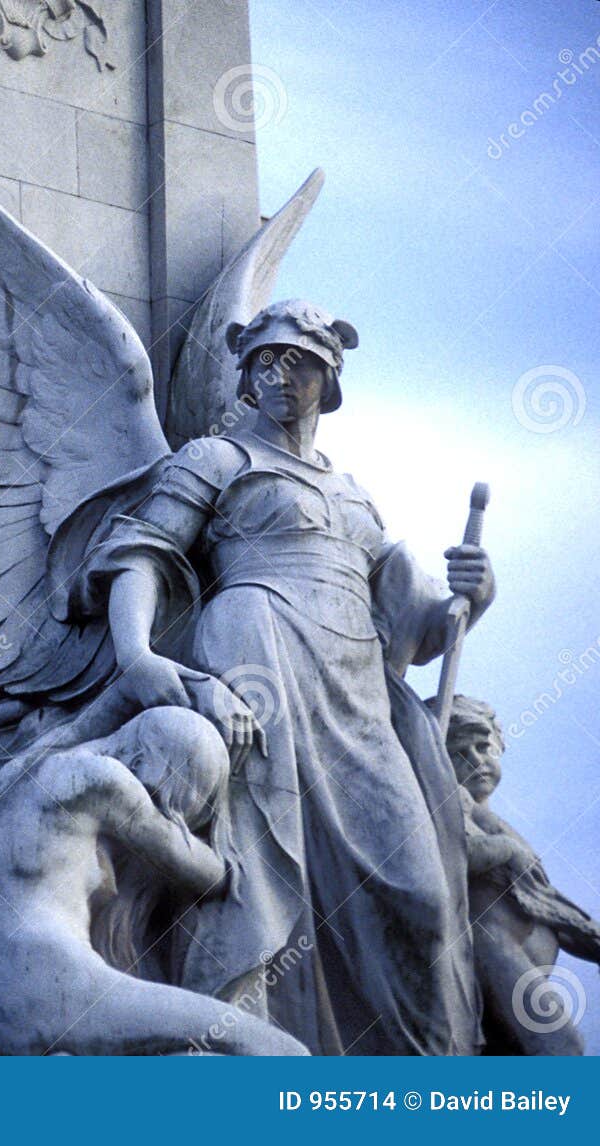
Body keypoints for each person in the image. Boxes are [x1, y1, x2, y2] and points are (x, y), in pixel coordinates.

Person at [73, 300, 492, 1054]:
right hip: (256, 657)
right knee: (262, 875)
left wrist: (473, 595)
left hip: (359, 693)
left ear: (328, 382)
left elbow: (422, 628)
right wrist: (137, 657)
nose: (278, 375)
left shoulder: (354, 493)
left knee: (422, 899)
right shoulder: (216, 459)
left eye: (297, 363)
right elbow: (140, 552)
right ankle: (248, 1057)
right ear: (244, 374)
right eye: (264, 360)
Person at [0, 705, 308, 1056]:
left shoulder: (18, 772)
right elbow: (205, 871)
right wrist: (230, 834)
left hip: (9, 1010)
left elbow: (98, 711)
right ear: (144, 763)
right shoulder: (102, 781)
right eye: (169, 803)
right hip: (61, 991)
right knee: (282, 1052)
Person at [447, 695, 600, 1055]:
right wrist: (509, 851)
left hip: (521, 959)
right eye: (458, 752)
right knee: (559, 1050)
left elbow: (544, 901)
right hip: (489, 947)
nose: (476, 760)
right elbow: (455, 852)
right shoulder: (446, 800)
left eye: (483, 746)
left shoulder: (498, 824)